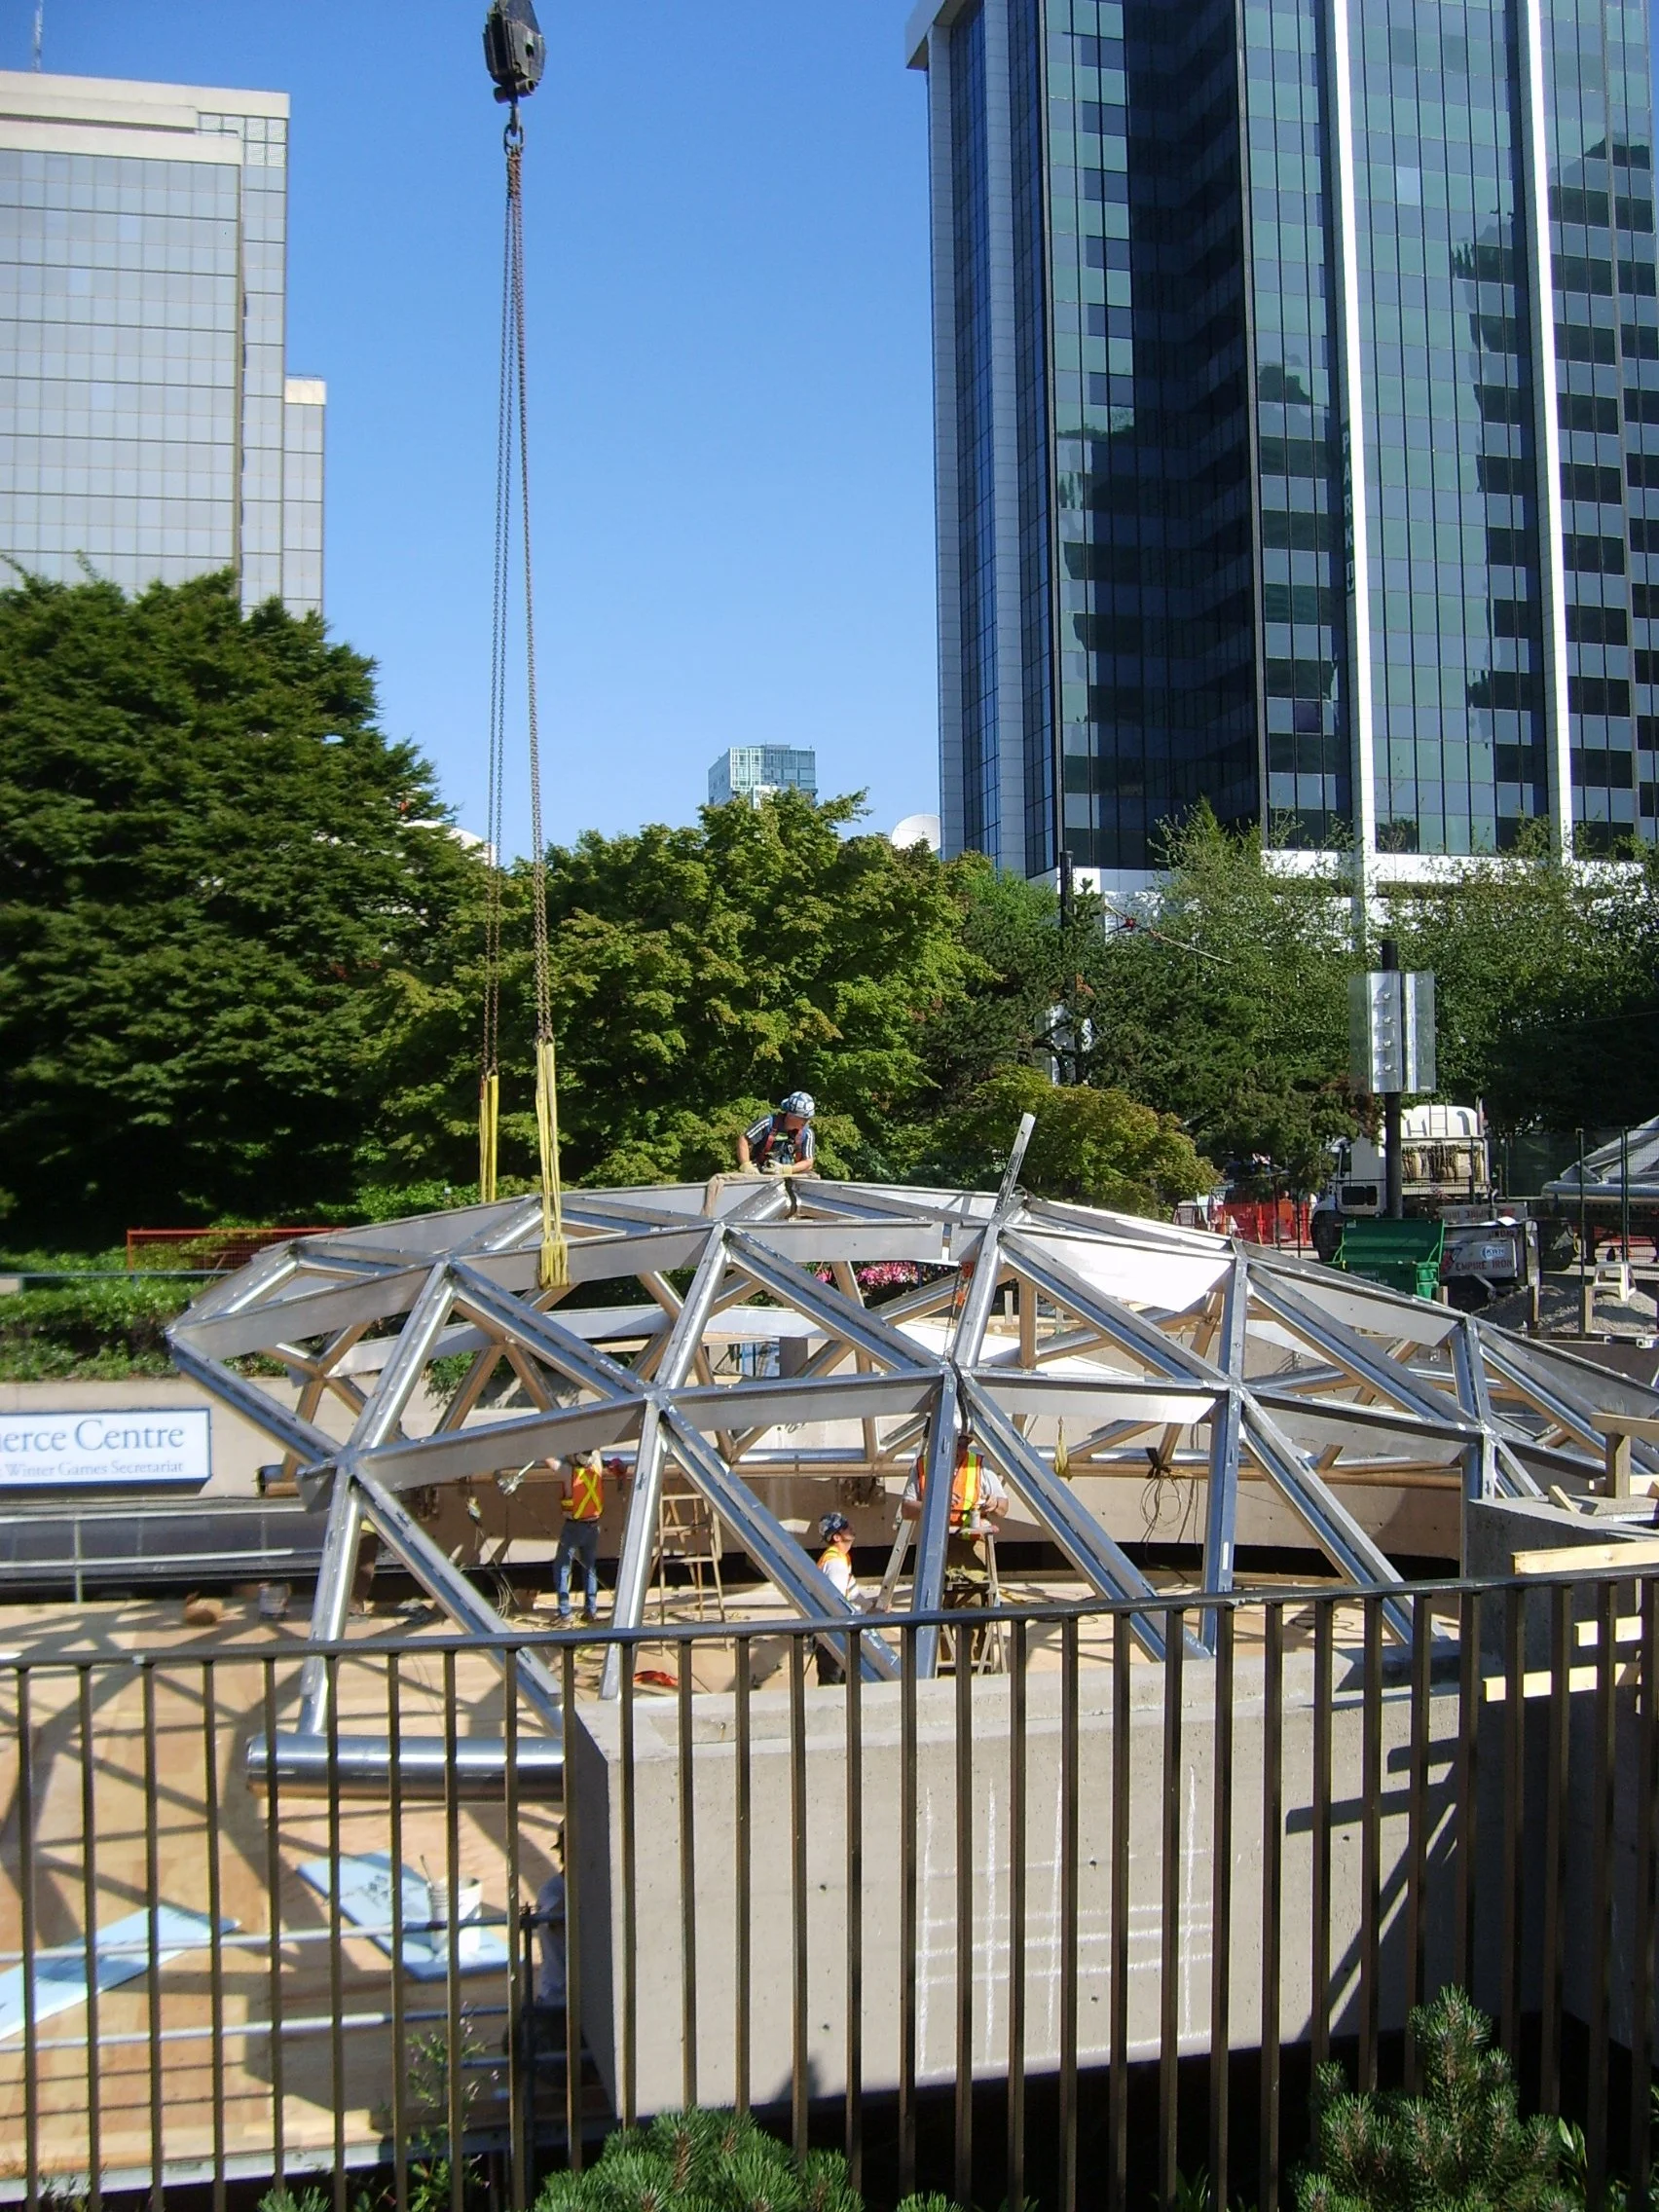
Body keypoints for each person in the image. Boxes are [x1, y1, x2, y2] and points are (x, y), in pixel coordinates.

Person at [552, 1449, 607, 1623]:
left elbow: (548, 1458)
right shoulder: (597, 1467)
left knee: (562, 1567)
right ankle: (590, 1610)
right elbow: (596, 1451)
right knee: (590, 1568)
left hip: (573, 1526)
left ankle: (565, 1612)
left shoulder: (568, 1472)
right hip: (593, 1526)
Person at [813, 1510, 866, 1685]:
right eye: (845, 1526)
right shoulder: (835, 1563)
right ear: (836, 1537)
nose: (851, 1527)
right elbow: (837, 1602)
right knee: (834, 1688)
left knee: (841, 1686)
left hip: (836, 1635)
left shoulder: (840, 1559)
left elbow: (852, 1592)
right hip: (835, 1636)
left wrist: (871, 1606)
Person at [737, 1091, 818, 1176]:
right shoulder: (768, 1123)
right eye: (804, 1118)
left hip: (790, 1176)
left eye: (808, 1118)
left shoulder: (807, 1133)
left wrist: (785, 1169)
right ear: (790, 1115)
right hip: (760, 1173)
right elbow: (744, 1139)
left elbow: (808, 1162)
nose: (807, 1122)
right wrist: (746, 1165)